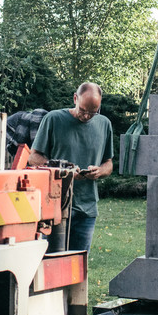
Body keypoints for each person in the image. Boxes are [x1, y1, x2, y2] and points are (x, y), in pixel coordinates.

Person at [26, 82, 113, 254]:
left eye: (93, 112)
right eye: (83, 110)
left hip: (86, 209)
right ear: (75, 98)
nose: (87, 116)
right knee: (51, 262)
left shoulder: (104, 124)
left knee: (77, 267)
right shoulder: (54, 119)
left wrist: (99, 171)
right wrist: (64, 172)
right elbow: (33, 157)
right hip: (56, 205)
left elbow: (108, 164)